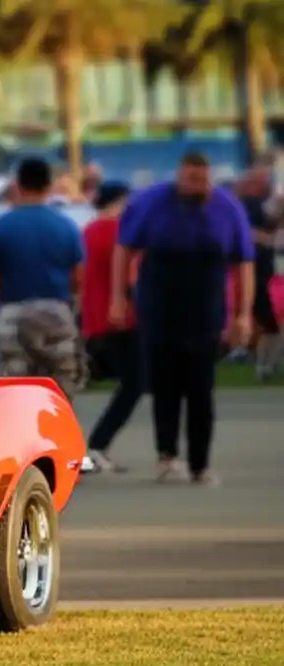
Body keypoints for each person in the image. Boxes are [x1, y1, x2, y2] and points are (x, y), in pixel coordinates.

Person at [112, 152, 256, 485]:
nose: (197, 186)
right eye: (191, 179)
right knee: (164, 385)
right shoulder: (149, 203)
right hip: (159, 305)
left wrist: (242, 315)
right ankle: (166, 454)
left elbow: (244, 262)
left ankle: (200, 464)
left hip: (205, 309)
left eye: (203, 180)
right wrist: (118, 299)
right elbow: (124, 249)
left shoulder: (228, 208)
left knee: (201, 388)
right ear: (178, 177)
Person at [0, 157, 87, 396]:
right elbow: (79, 276)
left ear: (17, 185)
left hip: (13, 314)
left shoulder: (0, 226)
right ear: (49, 186)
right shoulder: (66, 226)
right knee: (60, 388)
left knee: (14, 389)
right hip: (57, 311)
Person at [81, 182, 140, 473]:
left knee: (130, 379)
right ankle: (97, 445)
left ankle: (97, 446)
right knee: (136, 382)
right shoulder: (123, 231)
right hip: (123, 317)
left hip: (95, 317)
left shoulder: (88, 231)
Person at [236, 164, 282, 382]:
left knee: (271, 325)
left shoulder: (258, 205)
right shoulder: (245, 205)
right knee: (270, 323)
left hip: (268, 270)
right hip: (261, 272)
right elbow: (248, 231)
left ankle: (266, 366)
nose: (265, 184)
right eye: (261, 180)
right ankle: (264, 365)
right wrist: (270, 239)